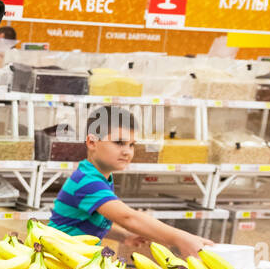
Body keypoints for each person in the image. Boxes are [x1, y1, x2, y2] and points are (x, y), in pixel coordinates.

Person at [48, 105, 212, 256]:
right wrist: (180, 238)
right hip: (54, 260)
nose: (127, 152)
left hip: (73, 258)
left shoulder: (99, 177)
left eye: (132, 145)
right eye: (119, 143)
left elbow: (85, 220)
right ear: (92, 142)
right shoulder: (87, 182)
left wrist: (124, 236)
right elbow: (128, 218)